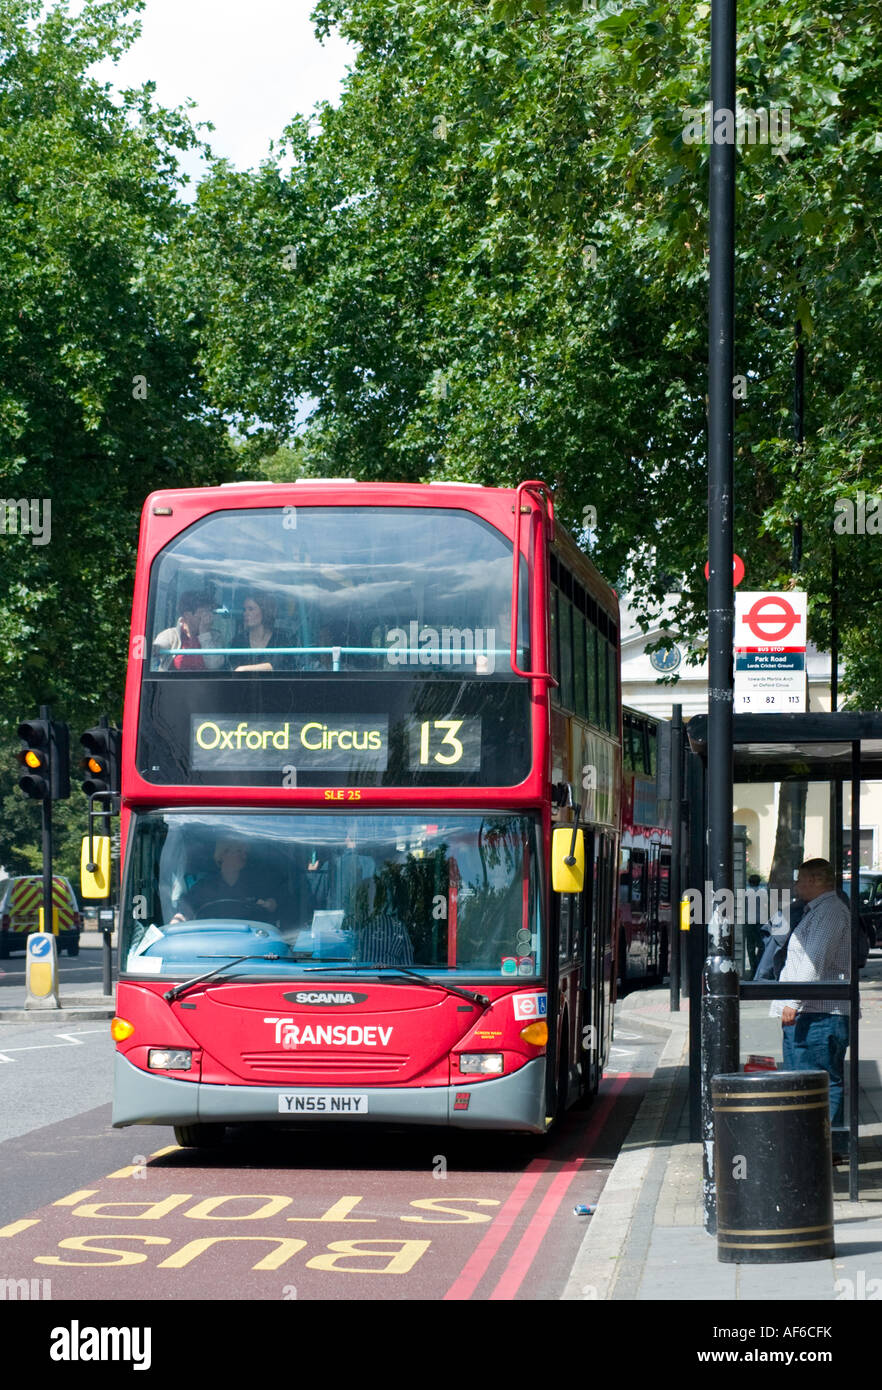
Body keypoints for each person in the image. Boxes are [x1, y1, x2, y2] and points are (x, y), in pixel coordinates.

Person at [771, 858, 851, 1143]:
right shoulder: (819, 911)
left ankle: (819, 1150)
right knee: (807, 1082)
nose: (796, 886)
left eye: (801, 879)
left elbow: (814, 962)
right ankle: (816, 1149)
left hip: (818, 1014)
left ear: (817, 881)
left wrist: (791, 1001)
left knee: (816, 1084)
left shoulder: (829, 912)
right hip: (813, 1012)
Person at [171, 838, 279, 923]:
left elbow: (274, 903)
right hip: (211, 941)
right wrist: (181, 917)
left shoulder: (256, 884)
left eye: (245, 852)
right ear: (223, 854)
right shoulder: (204, 886)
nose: (244, 855)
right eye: (239, 851)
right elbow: (186, 908)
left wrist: (269, 904)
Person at [348, 870, 414, 968]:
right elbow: (408, 966)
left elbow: (347, 962)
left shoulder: (351, 925)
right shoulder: (398, 927)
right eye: (368, 895)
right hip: (393, 980)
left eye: (373, 895)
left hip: (363, 978)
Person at [153, 591, 225, 672]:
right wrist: (156, 648)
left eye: (209, 612)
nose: (207, 617)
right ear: (187, 615)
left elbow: (214, 665)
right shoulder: (170, 635)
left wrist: (204, 634)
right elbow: (158, 647)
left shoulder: (216, 636)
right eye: (203, 613)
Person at [232, 593, 289, 672]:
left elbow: (280, 667)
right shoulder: (238, 640)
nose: (246, 613)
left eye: (251, 609)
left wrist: (243, 669)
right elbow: (231, 668)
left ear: (264, 611)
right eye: (244, 610)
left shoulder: (280, 639)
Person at [742, 874, 767, 973]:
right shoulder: (763, 893)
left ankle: (753, 966)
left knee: (750, 945)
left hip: (749, 921)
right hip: (760, 920)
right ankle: (759, 963)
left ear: (749, 882)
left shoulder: (746, 893)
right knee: (761, 944)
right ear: (759, 882)